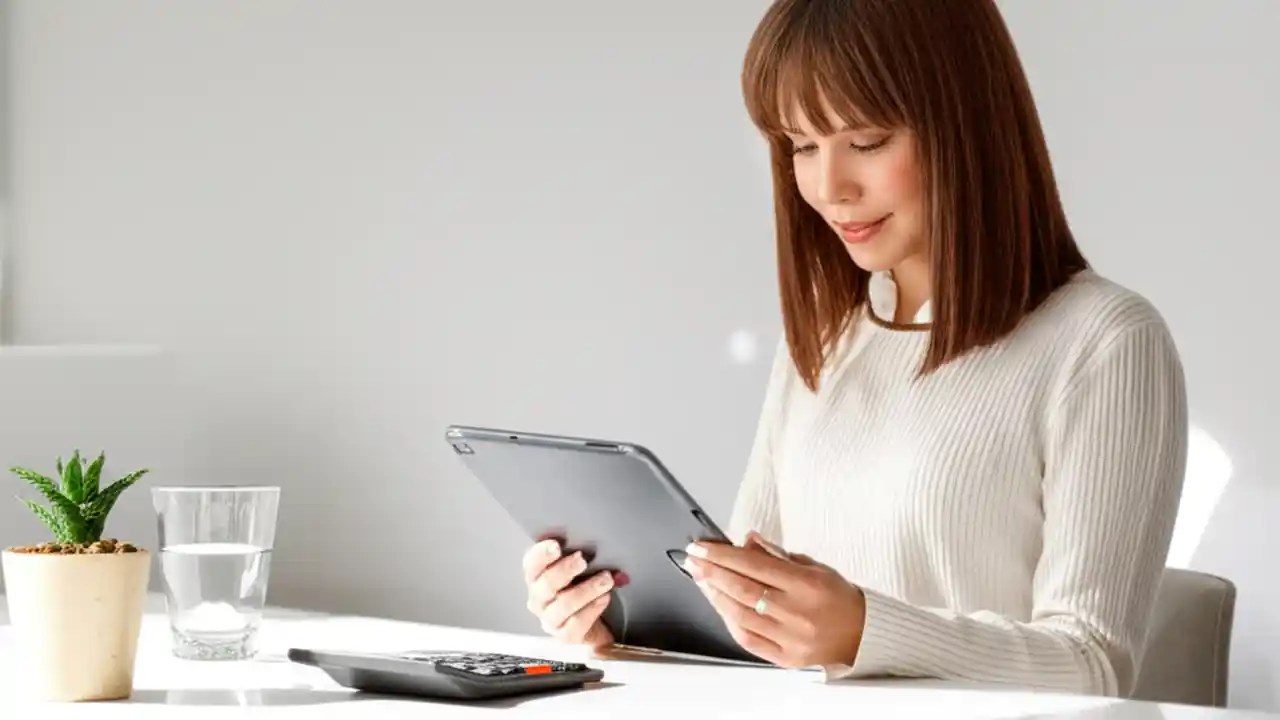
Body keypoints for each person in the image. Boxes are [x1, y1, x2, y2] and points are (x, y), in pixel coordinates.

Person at [520, 0, 1187, 699]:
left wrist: (863, 630)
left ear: (969, 127)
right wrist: (619, 634)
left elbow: (1094, 665)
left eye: (865, 141)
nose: (828, 188)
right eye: (801, 146)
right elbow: (751, 632)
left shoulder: (1105, 342)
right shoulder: (826, 339)